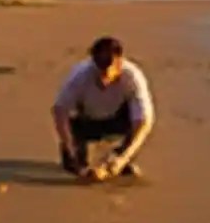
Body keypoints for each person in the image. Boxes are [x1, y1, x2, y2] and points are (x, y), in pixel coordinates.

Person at [51, 36, 155, 180]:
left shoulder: (132, 77)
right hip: (86, 121)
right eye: (98, 65)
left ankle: (120, 159)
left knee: (136, 127)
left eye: (108, 65)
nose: (102, 73)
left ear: (119, 61)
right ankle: (82, 161)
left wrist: (123, 157)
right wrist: (69, 148)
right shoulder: (80, 75)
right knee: (72, 167)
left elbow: (143, 121)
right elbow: (60, 110)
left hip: (118, 120)